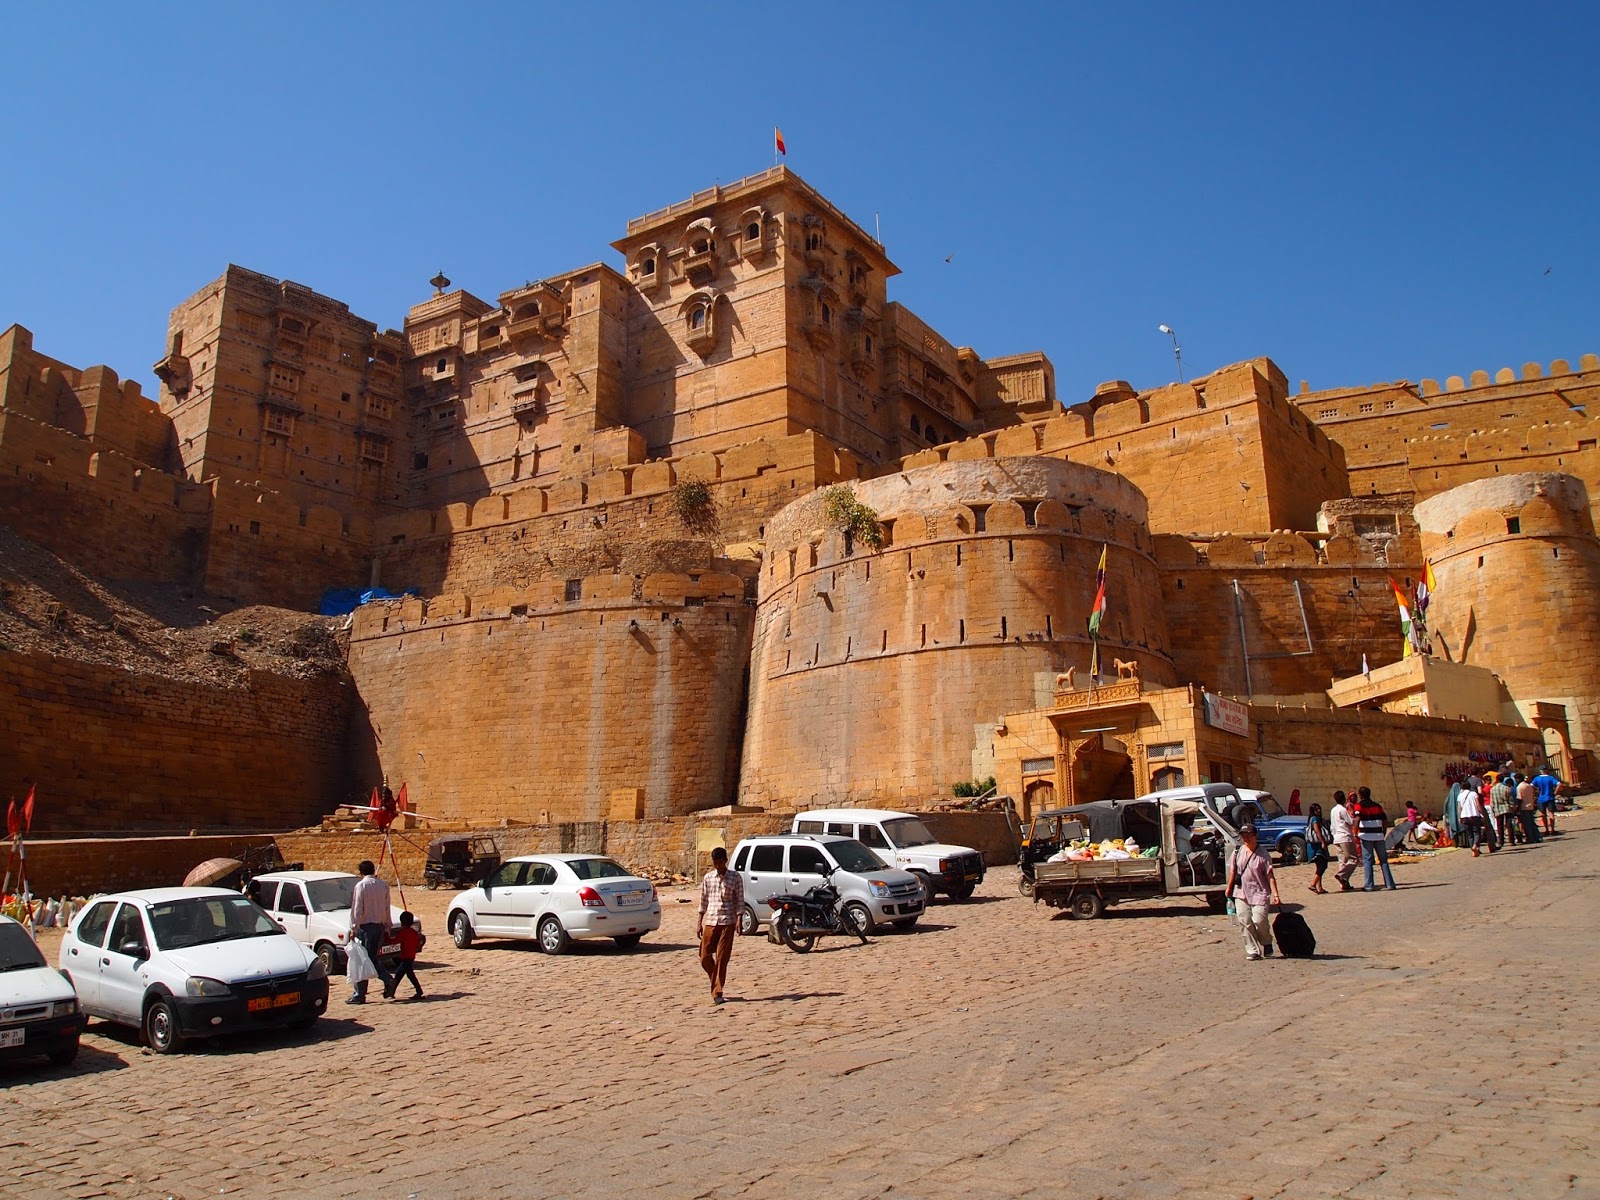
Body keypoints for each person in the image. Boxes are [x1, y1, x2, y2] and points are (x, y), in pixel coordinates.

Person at [697, 846, 743, 1005]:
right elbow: (703, 900)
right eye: (715, 863)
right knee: (704, 956)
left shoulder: (735, 877)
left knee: (722, 958)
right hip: (710, 920)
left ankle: (717, 991)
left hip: (728, 921)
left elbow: (739, 900)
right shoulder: (708, 878)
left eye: (720, 863)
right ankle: (715, 978)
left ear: (725, 861)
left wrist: (739, 919)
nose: (718, 866)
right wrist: (699, 922)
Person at [1226, 826, 1281, 960]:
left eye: (1248, 834)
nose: (1245, 837)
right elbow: (1233, 871)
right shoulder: (1237, 851)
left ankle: (1266, 941)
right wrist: (1229, 888)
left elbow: (1270, 876)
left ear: (1255, 835)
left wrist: (1276, 895)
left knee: (1259, 920)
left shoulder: (1263, 854)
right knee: (1244, 920)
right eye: (1243, 835)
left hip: (1259, 892)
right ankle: (1253, 950)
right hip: (1241, 892)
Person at [348, 859, 397, 1004]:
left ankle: (360, 993)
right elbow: (387, 907)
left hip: (366, 927)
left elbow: (357, 908)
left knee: (362, 959)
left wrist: (354, 928)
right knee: (372, 958)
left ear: (361, 872)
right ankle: (381, 983)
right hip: (380, 926)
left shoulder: (361, 886)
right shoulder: (383, 885)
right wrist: (388, 925)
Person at [1356, 787, 1398, 891]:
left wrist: (1355, 832)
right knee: (1383, 861)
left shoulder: (1359, 806)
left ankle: (1369, 885)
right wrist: (1383, 832)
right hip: (1378, 835)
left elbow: (1357, 819)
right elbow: (1384, 820)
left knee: (1368, 860)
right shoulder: (1377, 806)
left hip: (1366, 836)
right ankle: (1390, 884)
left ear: (1360, 795)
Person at [1329, 791, 1359, 892]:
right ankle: (1341, 875)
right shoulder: (1342, 810)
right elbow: (1351, 821)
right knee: (1353, 859)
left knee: (1342, 861)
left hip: (1336, 837)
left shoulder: (1333, 810)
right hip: (1345, 837)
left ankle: (1344, 883)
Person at [393, 911, 425, 1000]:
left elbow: (395, 941)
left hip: (405, 957)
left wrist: (386, 937)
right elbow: (418, 942)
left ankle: (419, 991)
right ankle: (391, 991)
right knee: (402, 974)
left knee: (405, 975)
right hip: (411, 956)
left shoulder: (403, 932)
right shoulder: (413, 932)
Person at [1457, 780, 1491, 858]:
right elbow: (1478, 805)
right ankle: (1475, 846)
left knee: (1470, 835)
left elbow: (1459, 808)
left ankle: (1473, 849)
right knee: (1477, 833)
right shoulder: (1473, 794)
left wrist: (1460, 817)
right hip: (1474, 815)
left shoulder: (1460, 795)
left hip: (1464, 816)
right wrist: (1483, 813)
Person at [1303, 802, 1331, 894]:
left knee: (1319, 866)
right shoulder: (1314, 819)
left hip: (1314, 845)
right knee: (1323, 865)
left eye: (1319, 809)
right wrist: (1323, 842)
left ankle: (1319, 887)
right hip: (1317, 846)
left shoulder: (1312, 818)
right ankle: (1313, 884)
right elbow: (1317, 830)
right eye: (1316, 809)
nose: (1318, 811)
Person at [1491, 775, 1520, 846]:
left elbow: (1492, 801)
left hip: (1497, 808)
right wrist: (1513, 808)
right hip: (1507, 808)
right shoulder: (1507, 788)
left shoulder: (1493, 789)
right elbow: (1511, 800)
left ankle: (1501, 841)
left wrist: (1493, 809)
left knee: (1499, 825)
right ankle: (1511, 840)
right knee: (1509, 824)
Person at [1533, 766, 1561, 835]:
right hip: (1550, 797)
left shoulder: (1537, 779)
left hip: (1541, 799)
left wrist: (1536, 792)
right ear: (1546, 770)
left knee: (1543, 814)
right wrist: (1555, 792)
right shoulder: (1550, 778)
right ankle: (1552, 829)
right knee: (1551, 813)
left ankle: (1546, 830)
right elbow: (1559, 784)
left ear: (1540, 771)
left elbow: (1531, 786)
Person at [1516, 774, 1543, 844]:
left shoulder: (1519, 787)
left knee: (1526, 824)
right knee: (1532, 823)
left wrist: (1517, 809)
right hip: (1530, 806)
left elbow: (1520, 799)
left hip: (1524, 807)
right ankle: (1537, 836)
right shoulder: (1529, 786)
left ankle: (1530, 838)